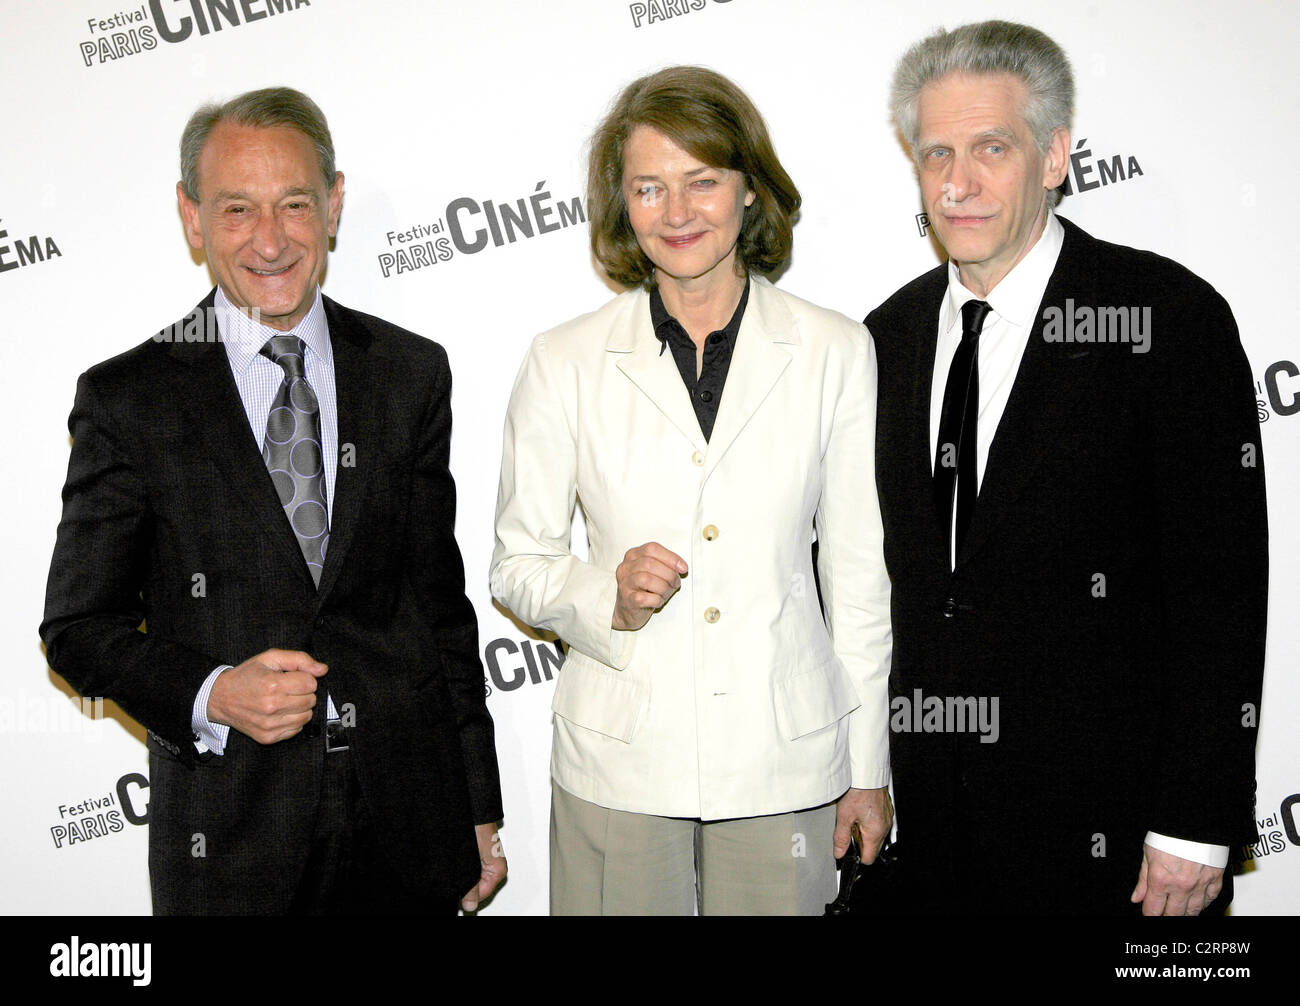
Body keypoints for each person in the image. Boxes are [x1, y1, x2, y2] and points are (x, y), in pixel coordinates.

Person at [40, 87, 505, 915]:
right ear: (191, 218)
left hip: (408, 825)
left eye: (294, 203)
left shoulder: (408, 373)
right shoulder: (130, 399)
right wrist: (212, 691)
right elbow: (79, 629)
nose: (270, 239)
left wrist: (477, 805)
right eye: (237, 209)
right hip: (231, 844)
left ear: (332, 204)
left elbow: (439, 608)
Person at [866, 21, 1268, 915]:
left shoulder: (1165, 319)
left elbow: (1220, 592)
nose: (957, 183)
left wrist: (1194, 823)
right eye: (936, 153)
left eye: (990, 149)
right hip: (934, 838)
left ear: (1054, 155)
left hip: (1118, 845)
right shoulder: (884, 339)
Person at [490, 66, 892, 915]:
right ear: (621, 205)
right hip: (619, 761)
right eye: (649, 187)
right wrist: (608, 596)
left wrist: (867, 768)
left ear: (750, 190)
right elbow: (518, 563)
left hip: (784, 762)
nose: (677, 212)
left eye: (703, 181)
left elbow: (857, 582)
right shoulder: (561, 361)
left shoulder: (835, 350)